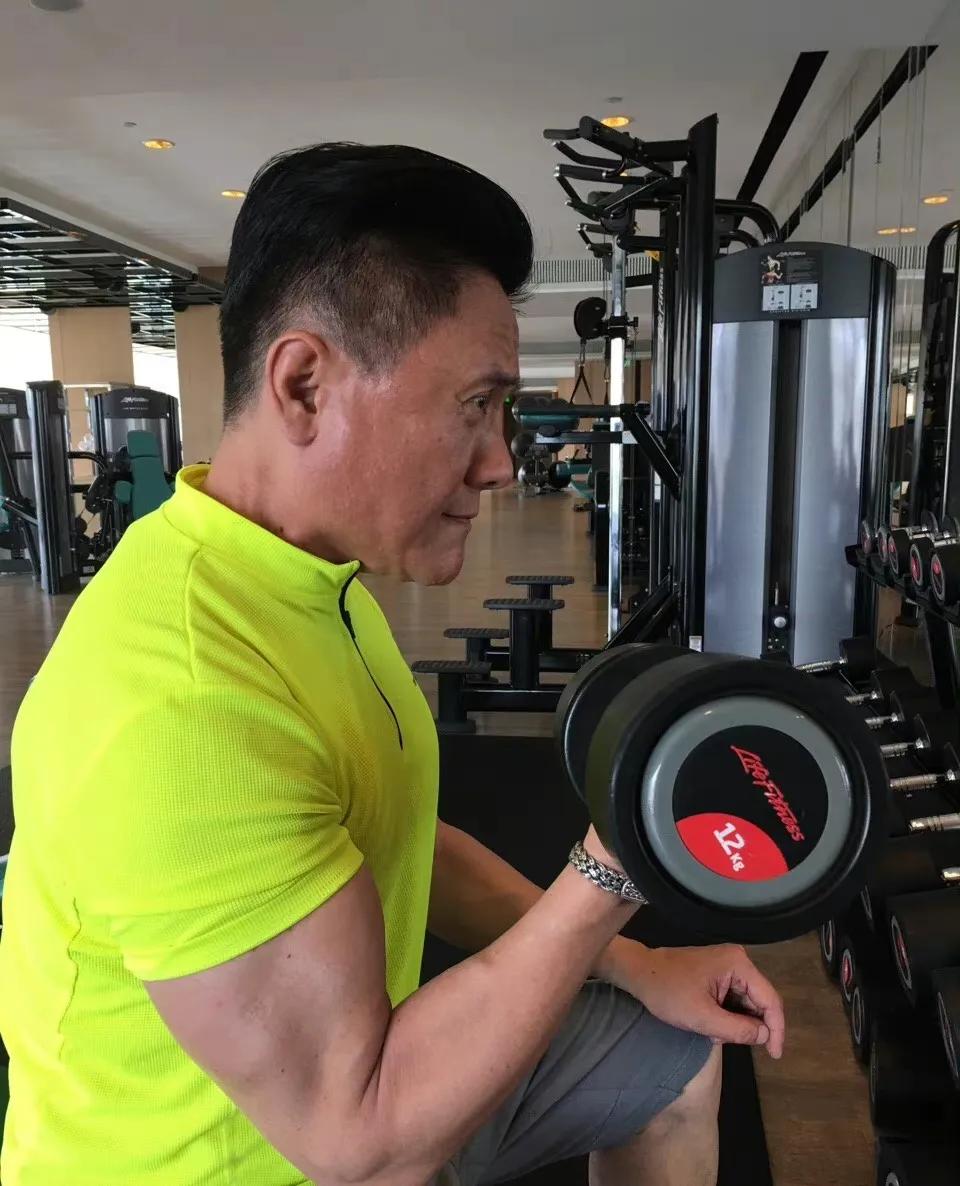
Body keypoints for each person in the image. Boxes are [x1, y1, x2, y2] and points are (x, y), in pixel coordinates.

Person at [0, 143, 784, 1186]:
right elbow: (360, 1146)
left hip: (366, 1073)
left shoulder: (306, 576)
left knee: (673, 1054)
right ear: (305, 384)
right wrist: (618, 868)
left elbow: (405, 836)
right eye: (475, 404)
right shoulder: (181, 699)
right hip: (275, 1153)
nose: (504, 458)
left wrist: (637, 965)